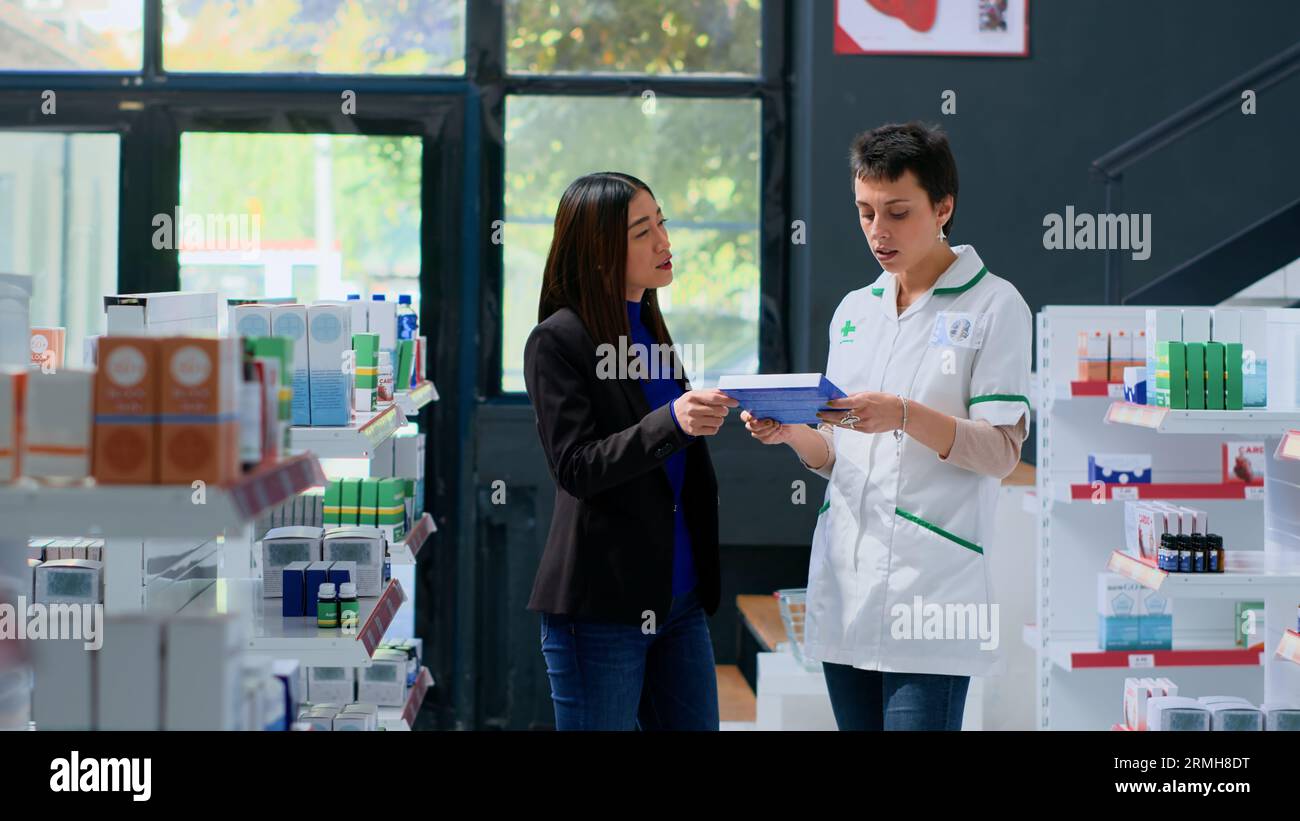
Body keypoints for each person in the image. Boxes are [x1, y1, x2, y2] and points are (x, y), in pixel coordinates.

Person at [741, 122, 1032, 730]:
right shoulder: (855, 311)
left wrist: (903, 414)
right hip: (848, 580)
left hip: (932, 589)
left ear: (942, 207)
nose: (878, 232)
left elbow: (1002, 453)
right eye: (866, 212)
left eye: (897, 213)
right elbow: (837, 451)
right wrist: (792, 432)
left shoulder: (996, 306)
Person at [523, 171, 739, 731]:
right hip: (603, 611)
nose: (665, 241)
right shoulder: (557, 340)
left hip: (680, 602)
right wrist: (672, 420)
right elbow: (577, 467)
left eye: (662, 222)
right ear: (599, 250)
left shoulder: (649, 328)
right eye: (644, 231)